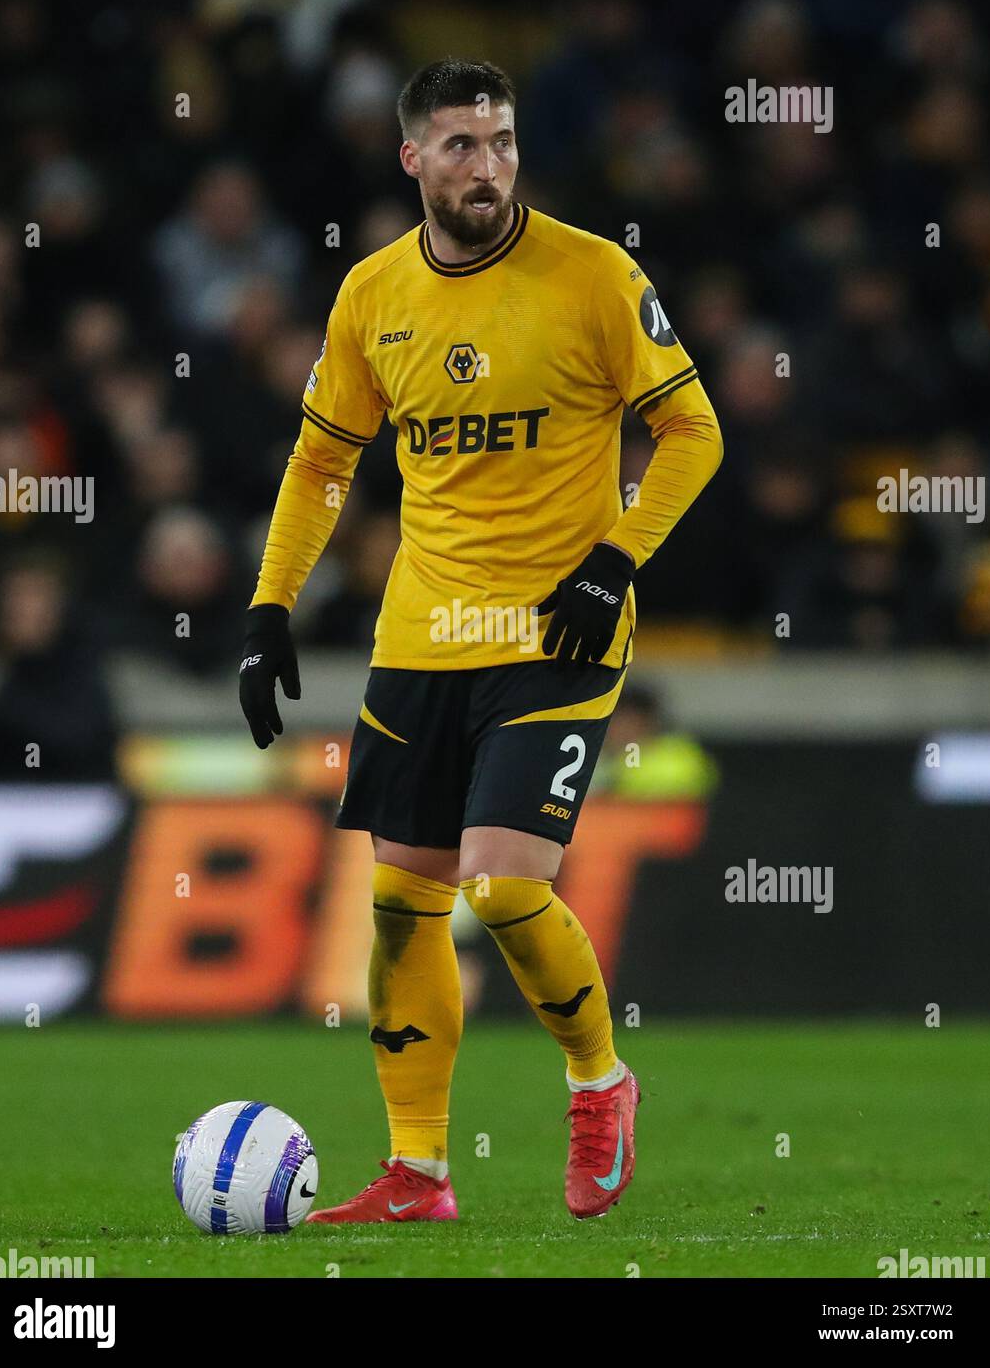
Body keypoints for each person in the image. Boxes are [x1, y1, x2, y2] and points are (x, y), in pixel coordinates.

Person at [239, 59, 723, 1222]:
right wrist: (267, 610)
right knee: (402, 905)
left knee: (505, 887)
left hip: (558, 631)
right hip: (421, 636)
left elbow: (691, 430)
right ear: (410, 158)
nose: (487, 166)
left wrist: (614, 563)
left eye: (500, 141)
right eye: (458, 145)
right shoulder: (371, 295)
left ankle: (600, 1081)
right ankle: (418, 1170)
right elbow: (319, 463)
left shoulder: (595, 275)